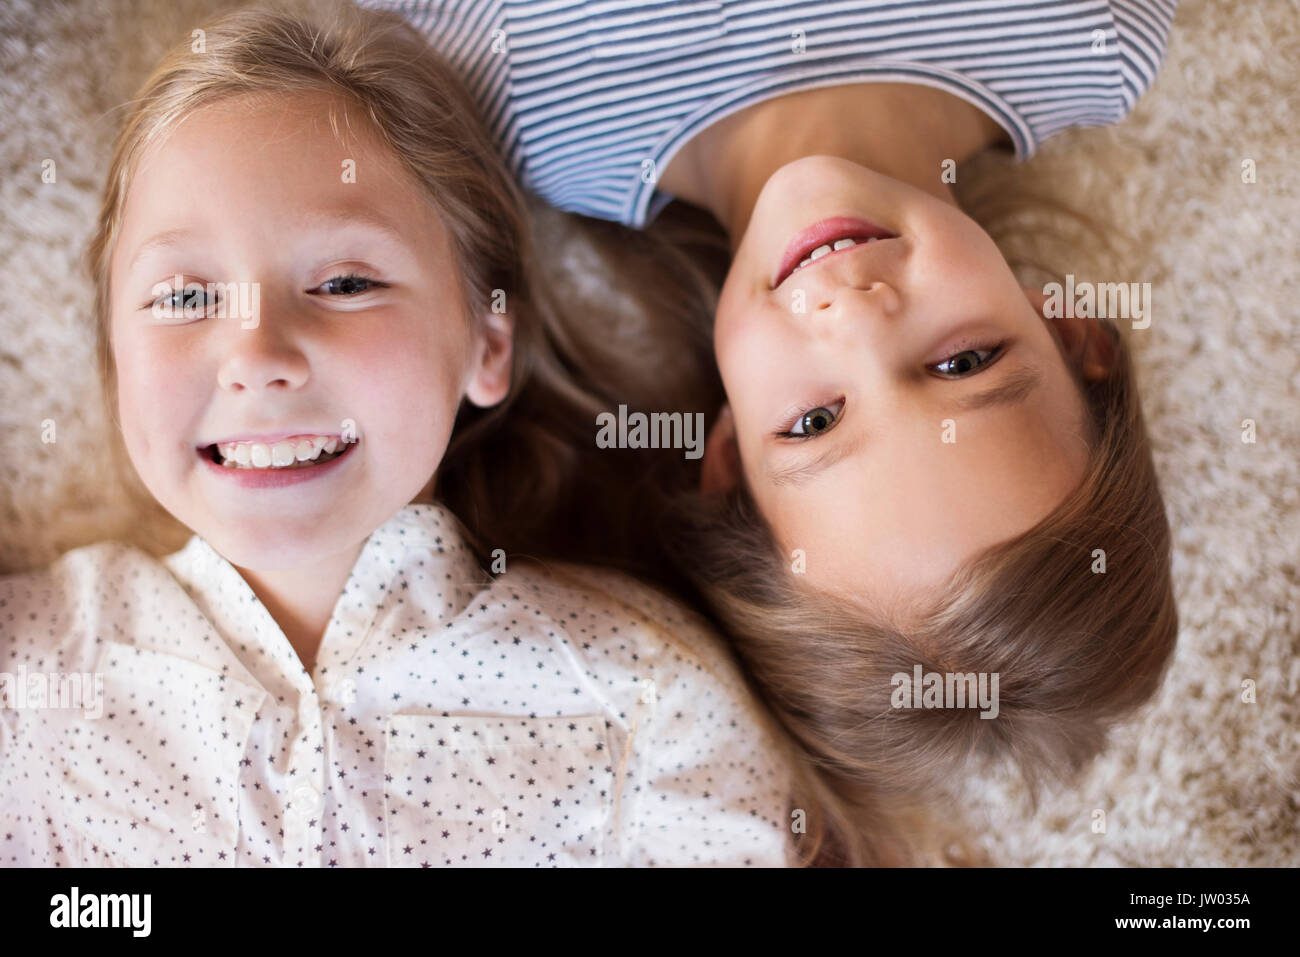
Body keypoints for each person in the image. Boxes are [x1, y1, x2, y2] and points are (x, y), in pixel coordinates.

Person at [363, 0, 1183, 864]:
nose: (853, 312)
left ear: (728, 455)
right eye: (963, 363)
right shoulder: (1094, 34)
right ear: (1068, 330)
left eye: (817, 421)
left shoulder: (500, 102)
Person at [0, 3, 801, 868]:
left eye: (346, 281)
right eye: (186, 298)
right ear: (115, 360)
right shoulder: (27, 672)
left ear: (487, 343)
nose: (257, 354)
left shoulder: (647, 703)